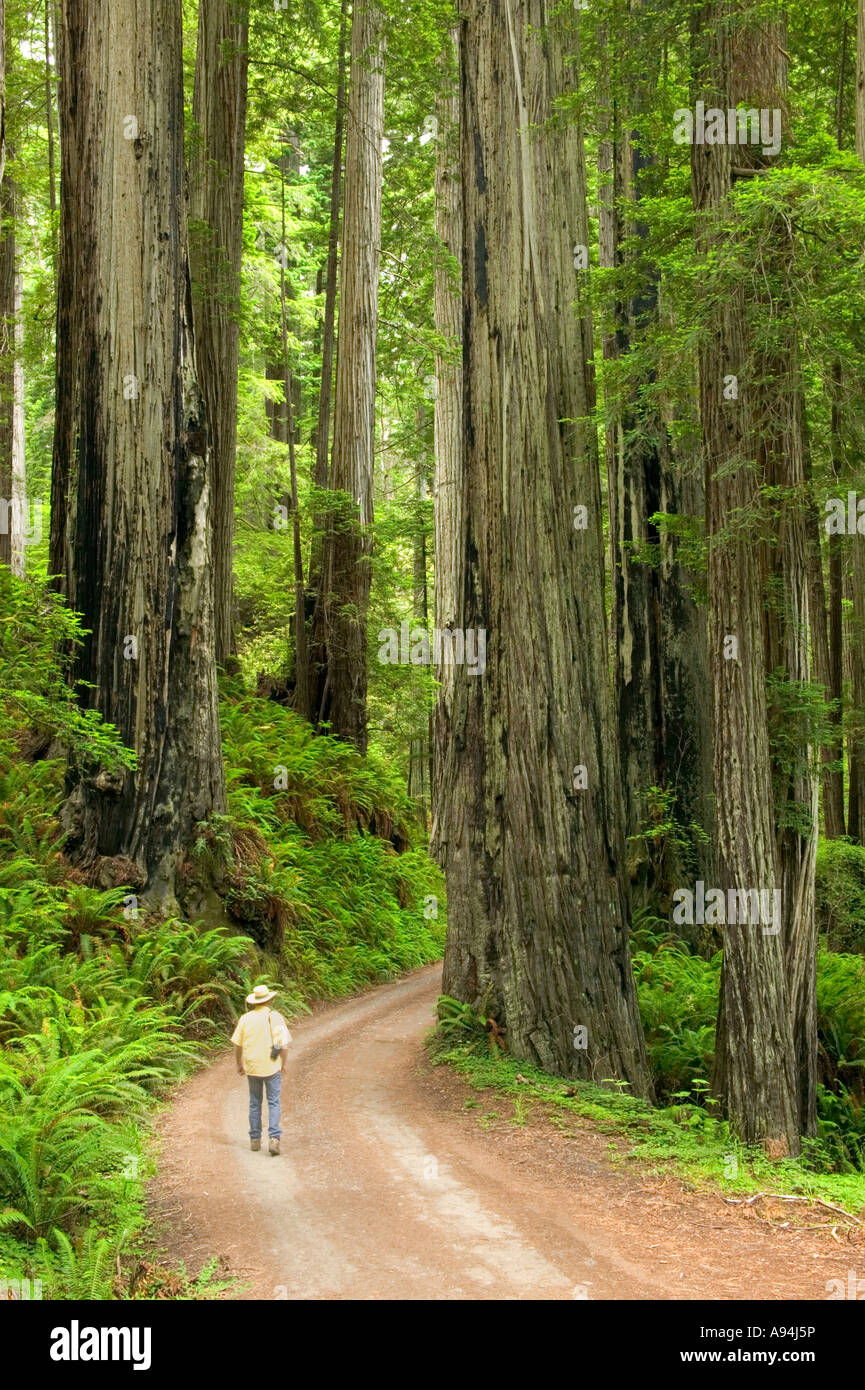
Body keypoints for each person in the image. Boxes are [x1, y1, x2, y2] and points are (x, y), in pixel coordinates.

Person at [231, 984, 292, 1155]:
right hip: (272, 1065)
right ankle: (274, 1138)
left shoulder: (245, 1019)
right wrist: (283, 1064)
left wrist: (239, 1063)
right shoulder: (276, 1017)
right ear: (270, 1000)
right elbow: (283, 1045)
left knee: (254, 1102)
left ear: (254, 1002)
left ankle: (255, 1139)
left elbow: (237, 1045)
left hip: (252, 1066)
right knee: (273, 1102)